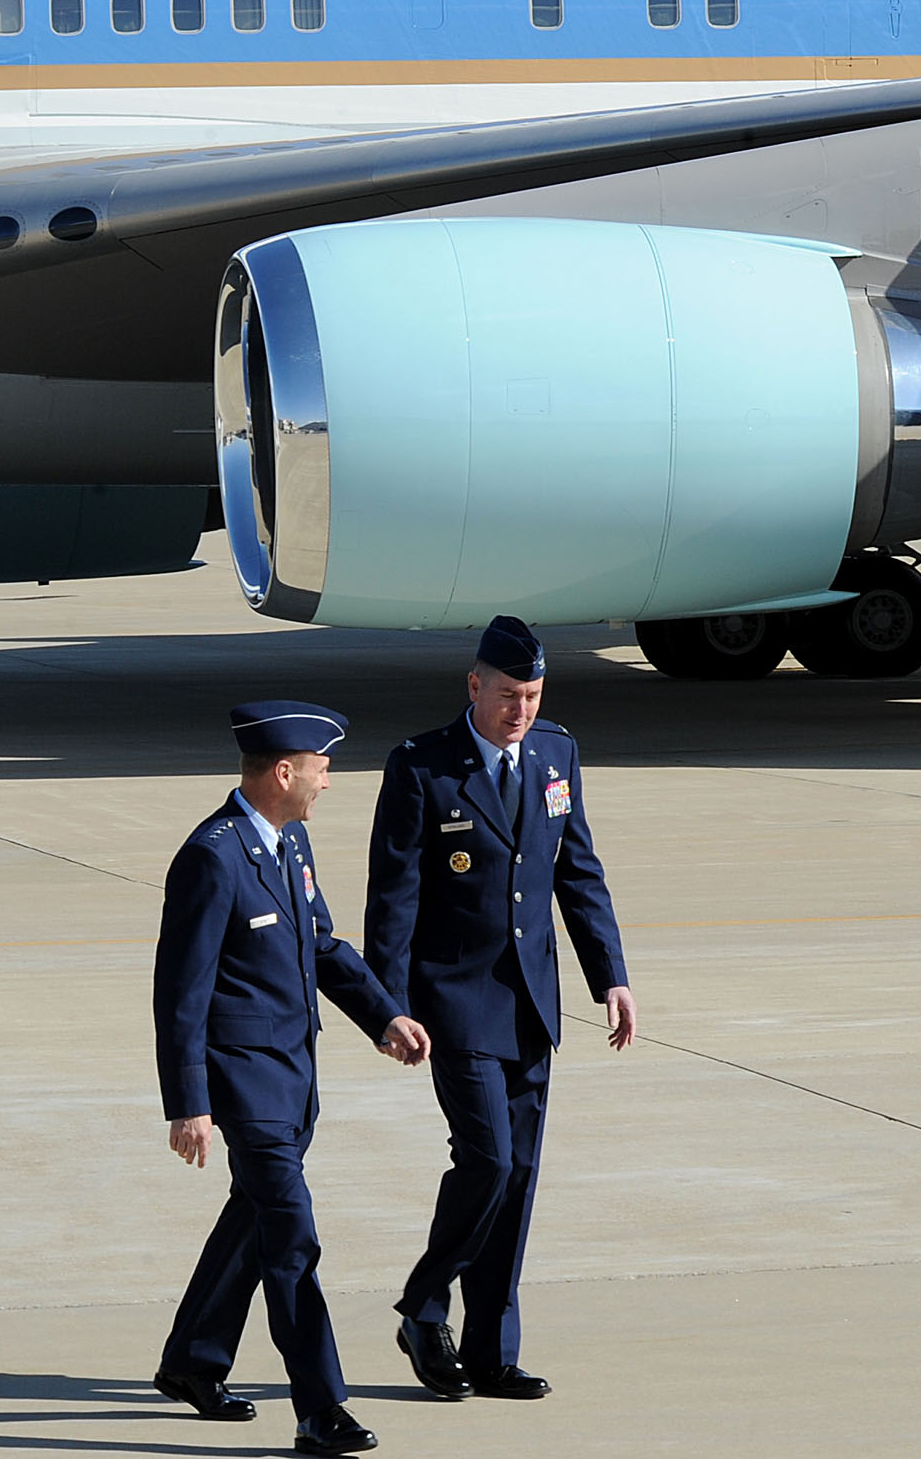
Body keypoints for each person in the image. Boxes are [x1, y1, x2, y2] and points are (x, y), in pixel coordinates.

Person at [366, 615, 636, 1405]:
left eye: (533, 694)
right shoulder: (422, 767)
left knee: (518, 1179)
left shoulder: (556, 752)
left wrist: (609, 974)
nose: (520, 709)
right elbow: (394, 898)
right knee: (487, 1159)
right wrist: (387, 1008)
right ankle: (423, 1305)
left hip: (531, 1002)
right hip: (452, 1000)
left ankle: (489, 1351)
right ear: (474, 686)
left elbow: (577, 870)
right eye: (508, 694)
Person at [153, 699, 430, 1458]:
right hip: (245, 1089)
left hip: (293, 1080)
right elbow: (181, 994)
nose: (328, 782)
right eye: (322, 768)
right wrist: (189, 1105)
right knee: (293, 1239)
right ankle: (319, 1408)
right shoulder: (212, 856)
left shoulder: (289, 843)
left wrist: (383, 1016)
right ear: (284, 771)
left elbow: (321, 944)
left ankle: (192, 1363)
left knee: (256, 1220)